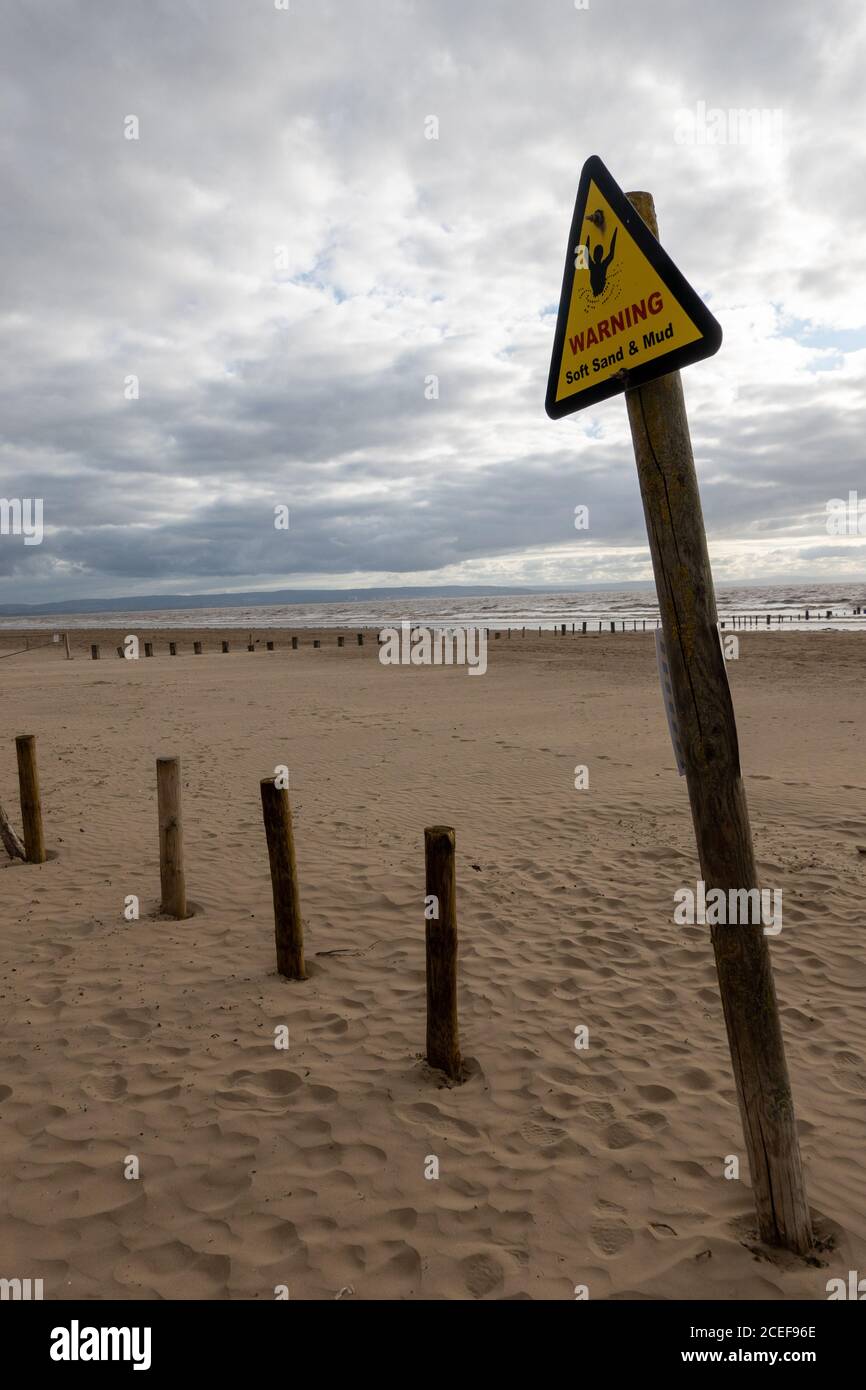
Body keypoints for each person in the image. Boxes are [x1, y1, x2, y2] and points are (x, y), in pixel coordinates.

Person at [585, 227, 617, 296]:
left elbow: (611, 254)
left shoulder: (603, 266)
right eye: (595, 253)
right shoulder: (592, 266)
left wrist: (615, 234)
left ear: (601, 255)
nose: (595, 255)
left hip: (601, 292)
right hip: (595, 292)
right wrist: (587, 237)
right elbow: (586, 254)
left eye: (598, 253)